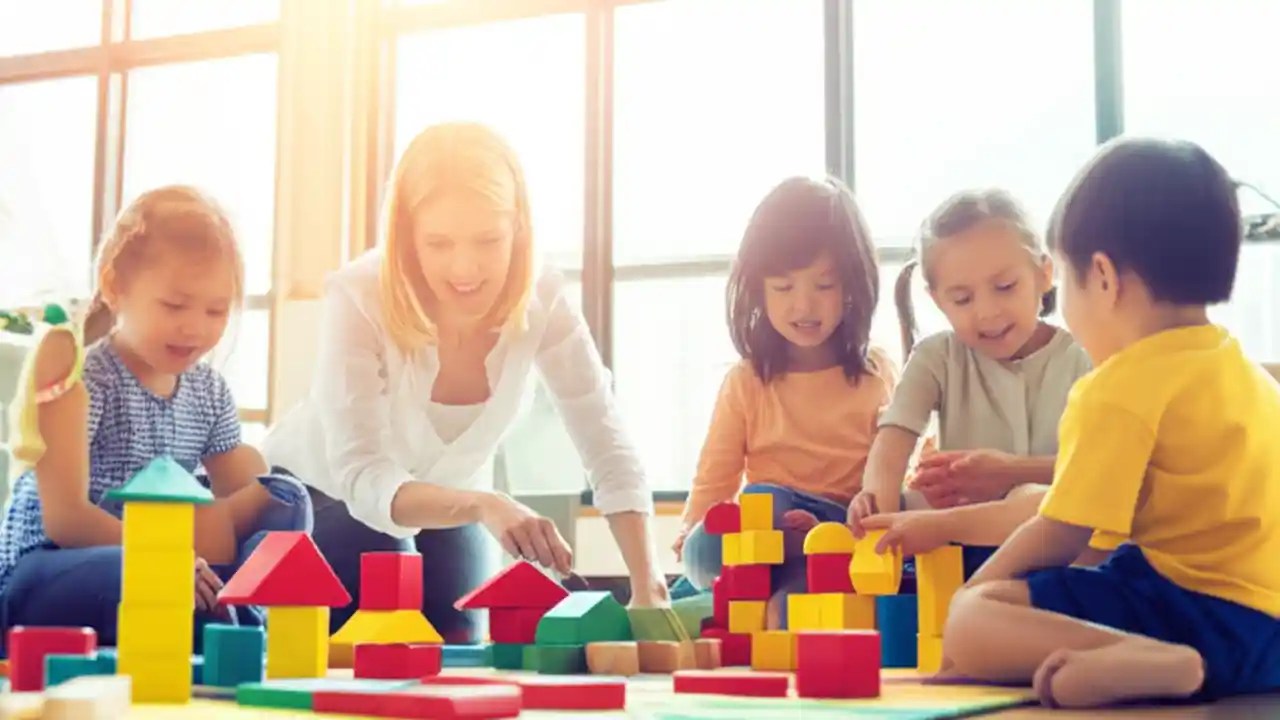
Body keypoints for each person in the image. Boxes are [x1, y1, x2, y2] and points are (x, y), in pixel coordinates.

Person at [263, 122, 666, 643]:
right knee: (391, 616)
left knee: (460, 638)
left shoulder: (544, 297)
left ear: (518, 228)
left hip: (451, 502)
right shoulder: (358, 295)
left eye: (488, 240)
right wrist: (485, 505)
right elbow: (364, 475)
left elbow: (604, 437)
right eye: (439, 243)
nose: (465, 267)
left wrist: (646, 581)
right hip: (326, 493)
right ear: (408, 237)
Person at [942, 137, 1280, 708]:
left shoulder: (1117, 388)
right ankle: (1145, 664)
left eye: (1065, 287)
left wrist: (972, 595)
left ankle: (1162, 662)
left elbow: (1059, 532)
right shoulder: (1247, 375)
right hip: (1267, 639)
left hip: (1185, 616)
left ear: (1102, 277)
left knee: (974, 620)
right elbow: (1103, 546)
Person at [0, 186, 310, 649]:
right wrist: (165, 557)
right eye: (174, 305)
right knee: (148, 577)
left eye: (216, 310)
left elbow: (245, 500)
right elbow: (65, 520)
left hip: (171, 563)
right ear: (113, 286)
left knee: (288, 497)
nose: (196, 327)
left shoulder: (208, 391)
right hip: (53, 567)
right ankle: (221, 620)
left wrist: (272, 501)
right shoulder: (83, 379)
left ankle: (236, 613)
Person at [672, 176, 896, 627]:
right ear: (758, 290)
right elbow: (715, 477)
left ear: (852, 286)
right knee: (717, 540)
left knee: (792, 611)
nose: (804, 306)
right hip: (766, 525)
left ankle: (802, 558)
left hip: (840, 530)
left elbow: (898, 469)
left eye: (824, 286)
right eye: (783, 288)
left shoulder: (877, 373)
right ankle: (776, 571)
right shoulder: (747, 381)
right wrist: (693, 526)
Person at [848, 189, 1091, 539]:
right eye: (962, 299)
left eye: (1006, 287)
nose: (987, 312)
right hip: (955, 545)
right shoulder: (935, 357)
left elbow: (1104, 471)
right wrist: (876, 511)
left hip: (1057, 545)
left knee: (1036, 500)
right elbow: (891, 445)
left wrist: (1010, 472)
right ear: (937, 300)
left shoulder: (1083, 357)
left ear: (1044, 274)